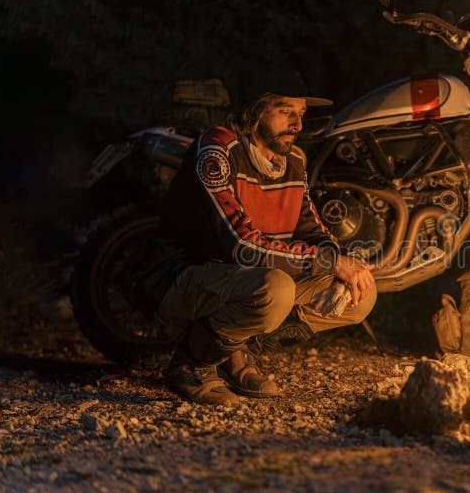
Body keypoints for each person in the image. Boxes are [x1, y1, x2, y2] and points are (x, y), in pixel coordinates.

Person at [133, 75, 376, 405]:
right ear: (255, 112)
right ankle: (192, 364)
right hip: (184, 275)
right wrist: (330, 261)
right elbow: (240, 245)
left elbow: (313, 231)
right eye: (285, 111)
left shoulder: (292, 161)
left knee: (362, 290)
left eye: (301, 113)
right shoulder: (218, 149)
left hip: (244, 279)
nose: (297, 123)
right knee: (275, 289)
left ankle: (234, 349)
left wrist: (340, 267)